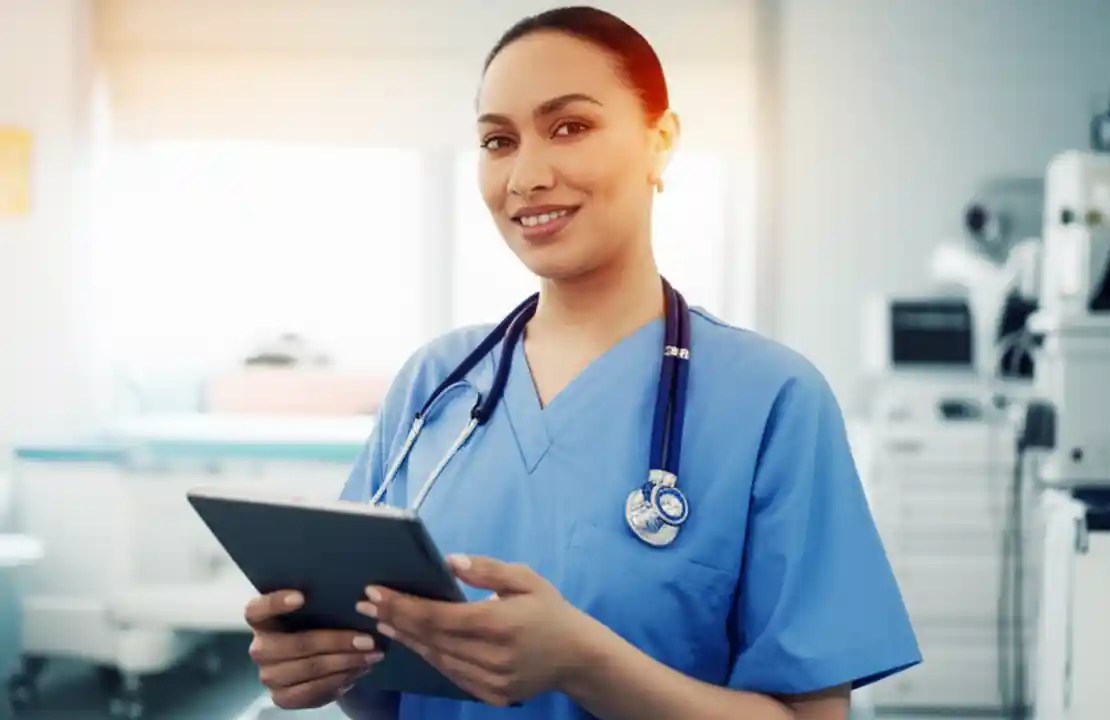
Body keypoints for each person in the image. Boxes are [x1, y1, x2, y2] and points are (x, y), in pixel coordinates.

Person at [242, 6, 920, 719]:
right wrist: (326, 667)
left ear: (660, 142)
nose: (527, 175)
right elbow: (389, 694)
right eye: (498, 141)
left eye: (570, 127)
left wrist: (584, 663)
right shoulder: (436, 383)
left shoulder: (772, 399)